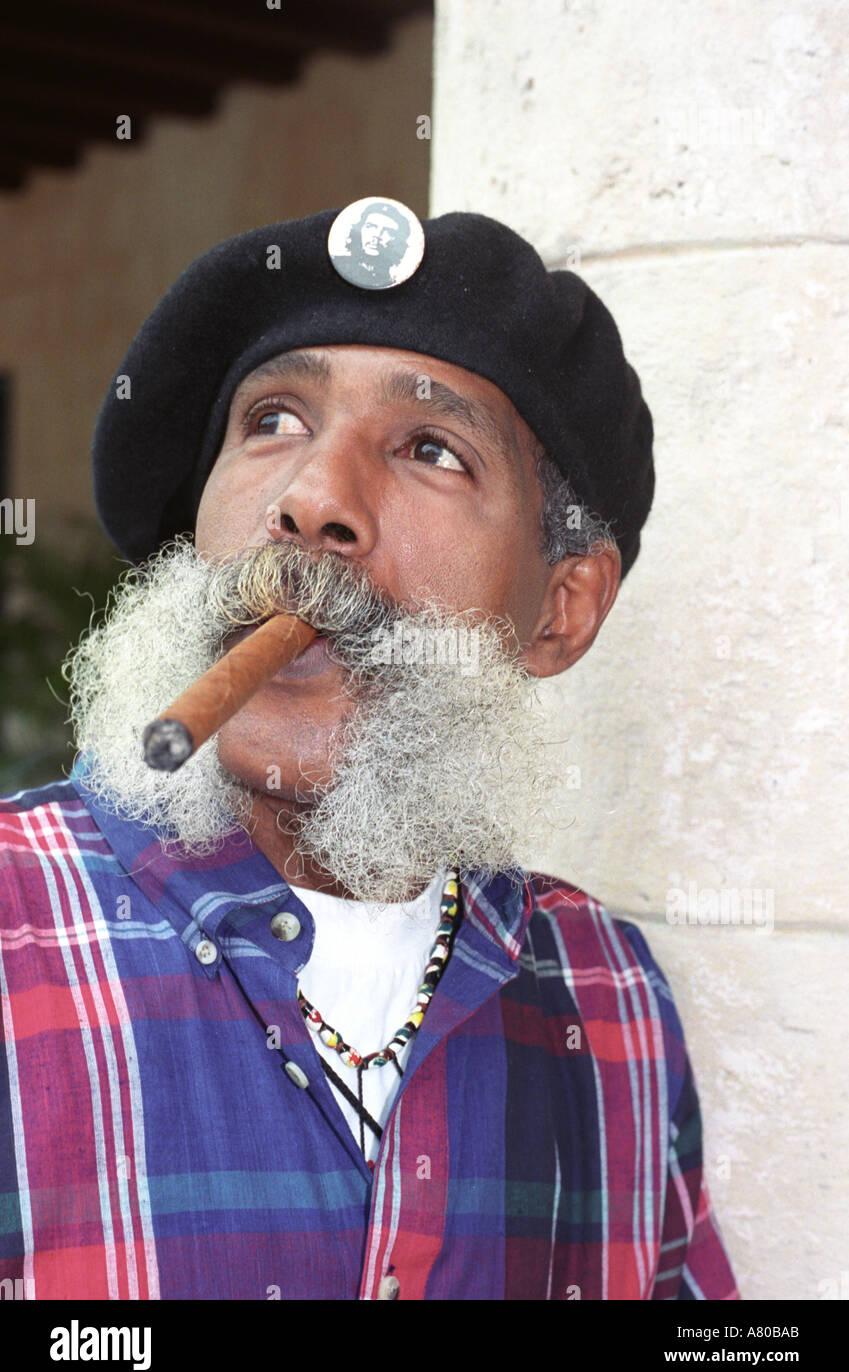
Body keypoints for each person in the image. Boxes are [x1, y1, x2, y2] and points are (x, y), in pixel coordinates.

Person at [0, 200, 739, 1301]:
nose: (312, 501)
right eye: (273, 422)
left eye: (431, 449)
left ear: (562, 608)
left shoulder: (608, 994)